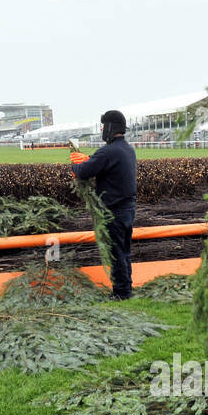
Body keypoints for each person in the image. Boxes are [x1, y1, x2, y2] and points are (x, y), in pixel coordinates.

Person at [70, 110, 137, 300]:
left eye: (102, 126)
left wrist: (75, 164)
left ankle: (121, 293)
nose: (101, 130)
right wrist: (89, 159)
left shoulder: (109, 151)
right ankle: (126, 289)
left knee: (116, 252)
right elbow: (100, 162)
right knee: (124, 250)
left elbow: (83, 172)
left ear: (109, 127)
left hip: (113, 211)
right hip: (127, 209)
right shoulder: (127, 149)